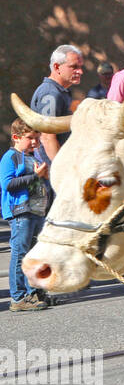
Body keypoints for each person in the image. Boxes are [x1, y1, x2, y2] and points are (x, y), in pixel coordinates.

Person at [4, 120, 51, 312]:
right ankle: (18, 297)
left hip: (36, 211)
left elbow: (37, 183)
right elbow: (8, 184)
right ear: (16, 137)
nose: (34, 142)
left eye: (37, 138)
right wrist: (36, 177)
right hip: (20, 212)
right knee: (20, 253)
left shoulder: (32, 157)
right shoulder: (10, 157)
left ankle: (34, 293)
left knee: (34, 255)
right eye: (30, 138)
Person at [31, 44, 84, 161]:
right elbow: (47, 137)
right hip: (52, 171)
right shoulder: (50, 93)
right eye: (74, 67)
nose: (80, 71)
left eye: (80, 67)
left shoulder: (60, 91)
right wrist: (62, 171)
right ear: (56, 67)